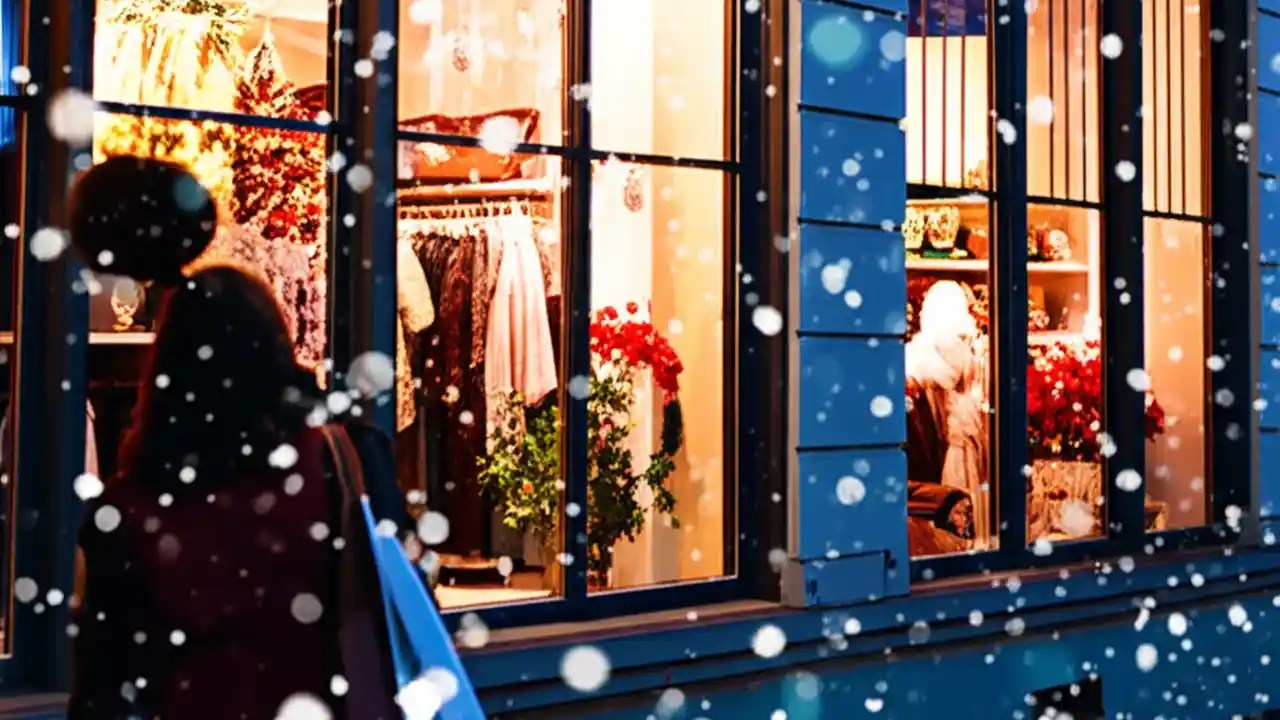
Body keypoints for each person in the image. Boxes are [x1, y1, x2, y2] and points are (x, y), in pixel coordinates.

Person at [65, 158, 409, 718]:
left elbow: (106, 687)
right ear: (274, 345)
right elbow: (404, 604)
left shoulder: (133, 510)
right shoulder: (347, 464)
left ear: (166, 368)